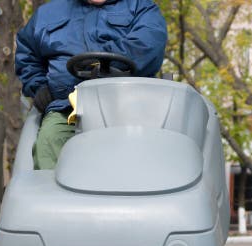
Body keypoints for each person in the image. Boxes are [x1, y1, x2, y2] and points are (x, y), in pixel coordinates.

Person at [15, 0, 168, 170]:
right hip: (68, 108)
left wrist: (100, 64)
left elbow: (147, 46)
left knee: (151, 153)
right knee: (49, 141)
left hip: (129, 107)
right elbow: (27, 55)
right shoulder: (47, 14)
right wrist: (38, 86)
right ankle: (49, 195)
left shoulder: (141, 7)